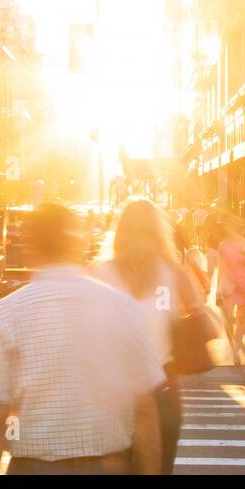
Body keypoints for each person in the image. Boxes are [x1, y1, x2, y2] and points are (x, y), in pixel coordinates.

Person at [0, 202, 164, 475]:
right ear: (78, 245)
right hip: (110, 465)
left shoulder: (5, 314)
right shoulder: (123, 308)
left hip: (34, 467)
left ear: (30, 248)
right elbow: (144, 408)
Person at [94, 197, 205, 474]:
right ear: (159, 231)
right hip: (161, 388)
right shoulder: (173, 274)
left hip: (112, 391)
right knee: (159, 466)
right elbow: (200, 314)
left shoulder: (100, 274)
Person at [216, 212, 245, 366]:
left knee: (241, 317)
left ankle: (236, 351)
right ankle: (232, 344)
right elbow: (220, 267)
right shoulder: (223, 245)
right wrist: (221, 286)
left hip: (244, 282)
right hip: (228, 283)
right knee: (228, 318)